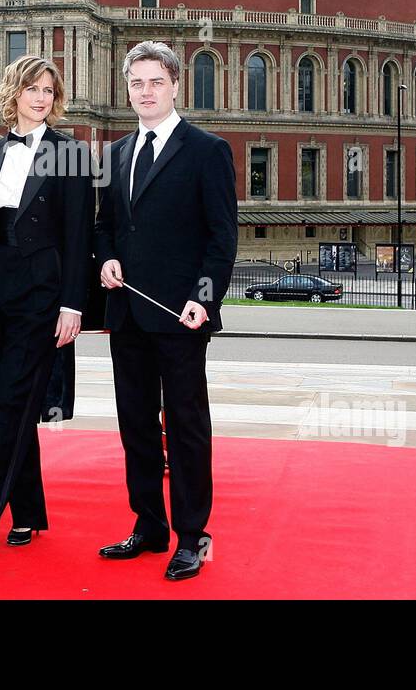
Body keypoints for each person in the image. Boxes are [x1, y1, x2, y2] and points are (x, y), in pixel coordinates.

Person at [95, 41, 237, 581]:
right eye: (136, 83)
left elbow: (222, 239)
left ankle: (191, 535)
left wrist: (203, 300)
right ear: (126, 87)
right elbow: (105, 224)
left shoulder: (207, 150)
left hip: (181, 319)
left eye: (155, 82)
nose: (145, 92)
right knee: (135, 425)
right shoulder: (114, 155)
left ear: (175, 85)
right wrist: (106, 257)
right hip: (127, 314)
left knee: (186, 428)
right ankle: (149, 524)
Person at [0, 56, 93, 566]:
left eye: (49, 90)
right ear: (14, 91)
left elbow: (79, 236)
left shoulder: (70, 154)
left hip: (41, 294)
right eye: (32, 88)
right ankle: (28, 510)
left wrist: (74, 303)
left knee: (8, 405)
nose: (41, 98)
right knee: (13, 404)